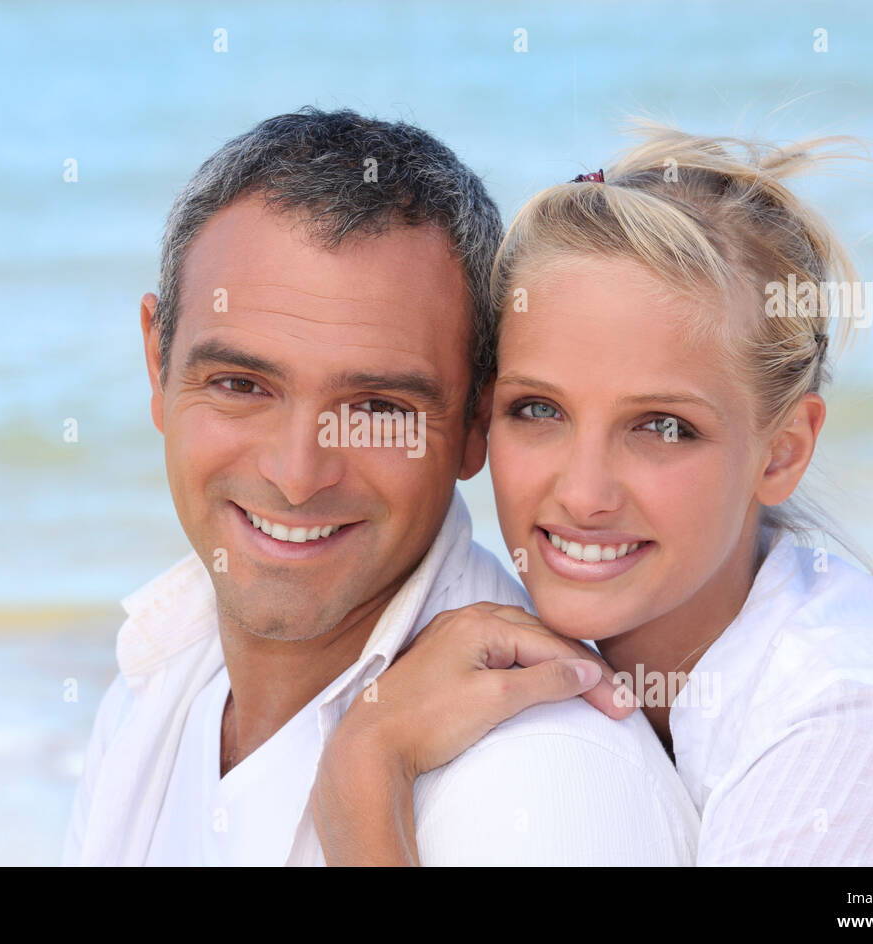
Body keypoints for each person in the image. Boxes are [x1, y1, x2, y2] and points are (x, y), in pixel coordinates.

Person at [312, 122, 873, 866]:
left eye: (663, 427)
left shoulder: (859, 734)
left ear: (783, 453)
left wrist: (362, 775)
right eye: (539, 411)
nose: (584, 494)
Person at [61, 108, 698, 866]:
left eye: (377, 409)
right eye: (241, 384)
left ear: (474, 426)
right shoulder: (162, 676)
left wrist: (361, 771)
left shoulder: (545, 785)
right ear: (156, 361)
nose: (297, 475)